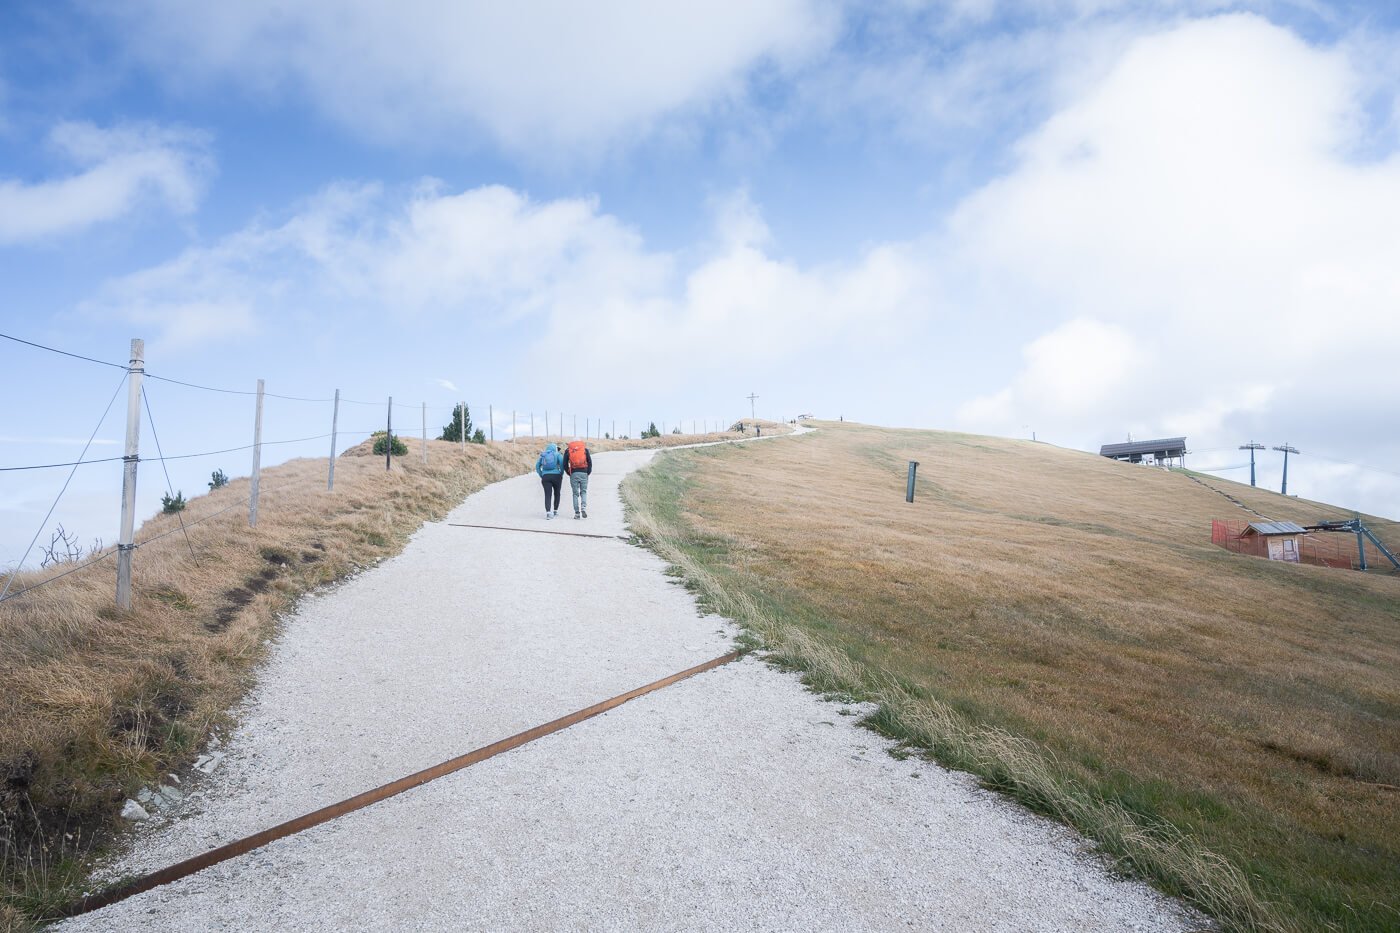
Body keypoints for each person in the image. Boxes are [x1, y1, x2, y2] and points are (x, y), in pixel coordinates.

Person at [564, 438, 592, 519]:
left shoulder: (568, 450)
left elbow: (564, 464)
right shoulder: (585, 450)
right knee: (583, 492)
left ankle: (577, 513)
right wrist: (588, 472)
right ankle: (583, 507)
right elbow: (589, 462)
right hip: (584, 472)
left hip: (574, 473)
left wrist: (569, 472)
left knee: (575, 494)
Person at [536, 442, 565, 519]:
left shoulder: (543, 455)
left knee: (547, 494)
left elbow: (537, 466)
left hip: (545, 476)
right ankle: (555, 511)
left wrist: (541, 474)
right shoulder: (558, 455)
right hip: (557, 476)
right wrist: (561, 473)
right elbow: (562, 465)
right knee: (557, 493)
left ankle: (548, 513)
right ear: (555, 448)